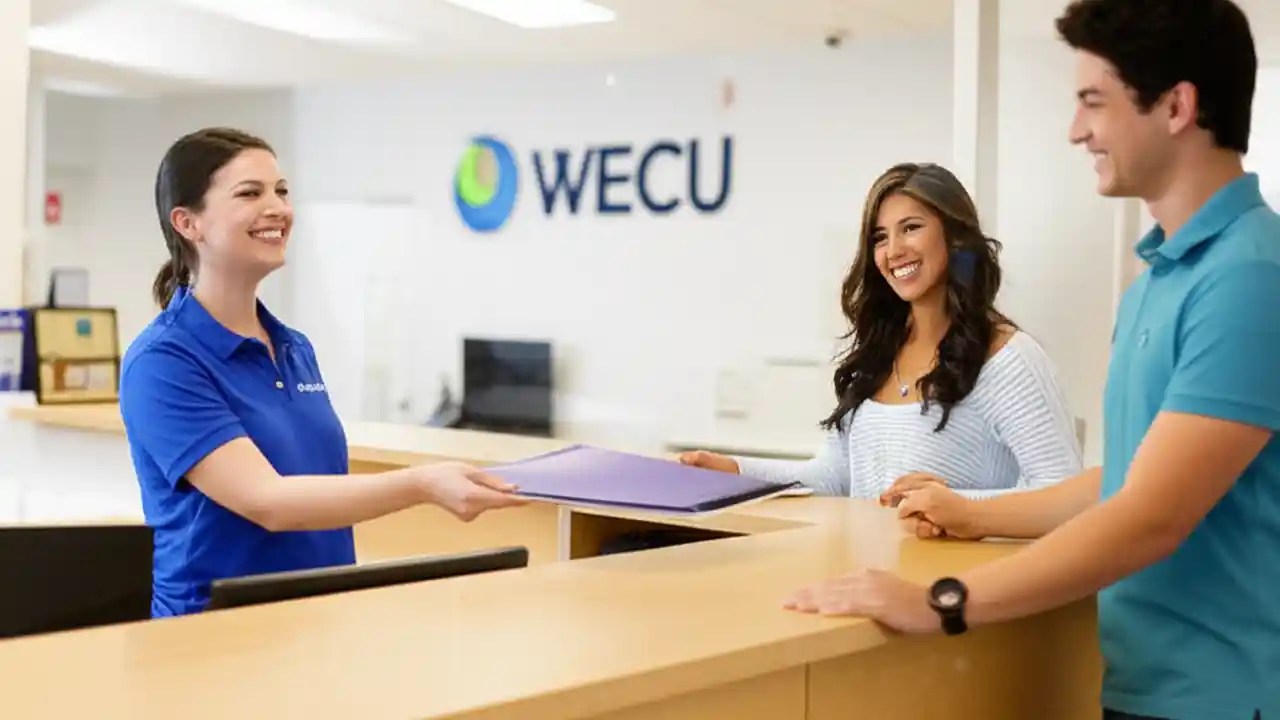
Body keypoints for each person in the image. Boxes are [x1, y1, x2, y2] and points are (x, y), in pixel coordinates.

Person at [784, 2, 1276, 719]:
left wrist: (943, 601)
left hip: (1226, 699)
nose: (1076, 130)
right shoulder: (1157, 285)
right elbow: (1124, 482)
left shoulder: (1251, 278)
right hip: (1141, 682)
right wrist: (973, 513)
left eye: (1093, 102)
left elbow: (1151, 516)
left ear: (1177, 106)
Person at [119, 127, 526, 617]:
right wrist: (421, 485)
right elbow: (268, 501)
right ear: (188, 223)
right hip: (213, 632)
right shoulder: (163, 362)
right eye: (250, 193)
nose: (277, 208)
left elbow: (317, 486)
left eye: (281, 191)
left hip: (320, 618)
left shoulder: (295, 347)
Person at [680, 162, 1082, 503]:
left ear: (955, 236)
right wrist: (735, 472)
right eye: (880, 237)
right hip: (869, 571)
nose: (893, 251)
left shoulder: (1010, 360)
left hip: (964, 575)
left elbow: (1063, 496)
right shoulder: (876, 355)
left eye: (911, 228)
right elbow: (834, 476)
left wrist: (959, 505)